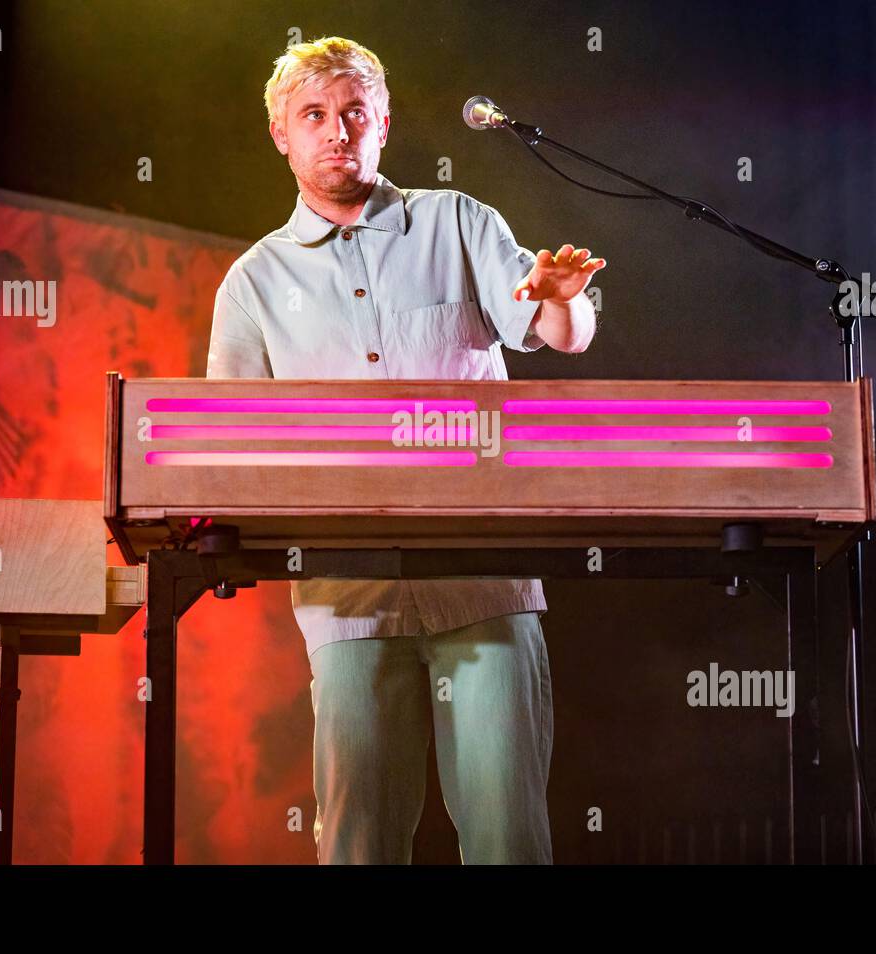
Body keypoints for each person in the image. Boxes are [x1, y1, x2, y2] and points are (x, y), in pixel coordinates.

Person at [206, 36, 605, 864]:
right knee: (359, 845)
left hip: (485, 584)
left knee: (509, 839)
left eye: (354, 112)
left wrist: (567, 302)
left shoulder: (460, 221)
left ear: (383, 121)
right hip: (347, 602)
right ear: (280, 133)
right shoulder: (251, 282)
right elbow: (226, 442)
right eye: (313, 115)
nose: (336, 131)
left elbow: (561, 331)